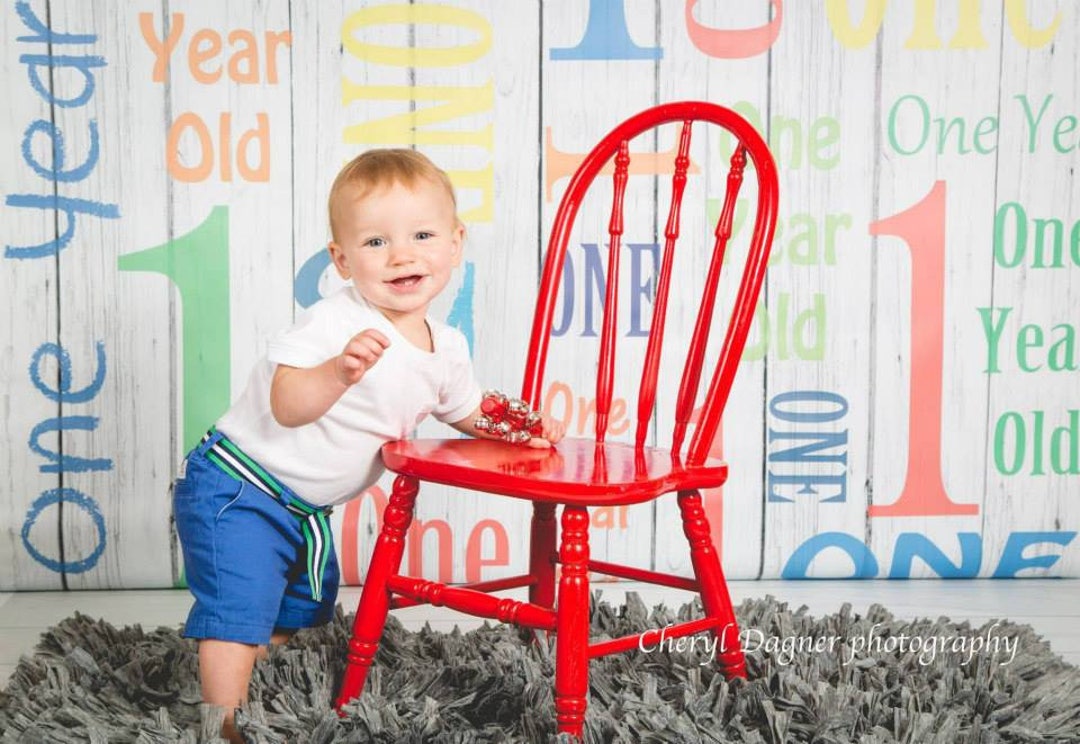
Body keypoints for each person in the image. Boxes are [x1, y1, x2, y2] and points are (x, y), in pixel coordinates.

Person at [172, 148, 565, 743]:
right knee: (240, 606)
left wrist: (518, 426)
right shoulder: (334, 323)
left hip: (304, 510)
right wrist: (338, 372)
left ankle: (256, 673)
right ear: (343, 260)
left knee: (302, 604)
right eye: (376, 242)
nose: (402, 254)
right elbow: (287, 403)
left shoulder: (447, 345)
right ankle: (221, 722)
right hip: (238, 487)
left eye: (423, 235)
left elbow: (466, 409)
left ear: (455, 244)